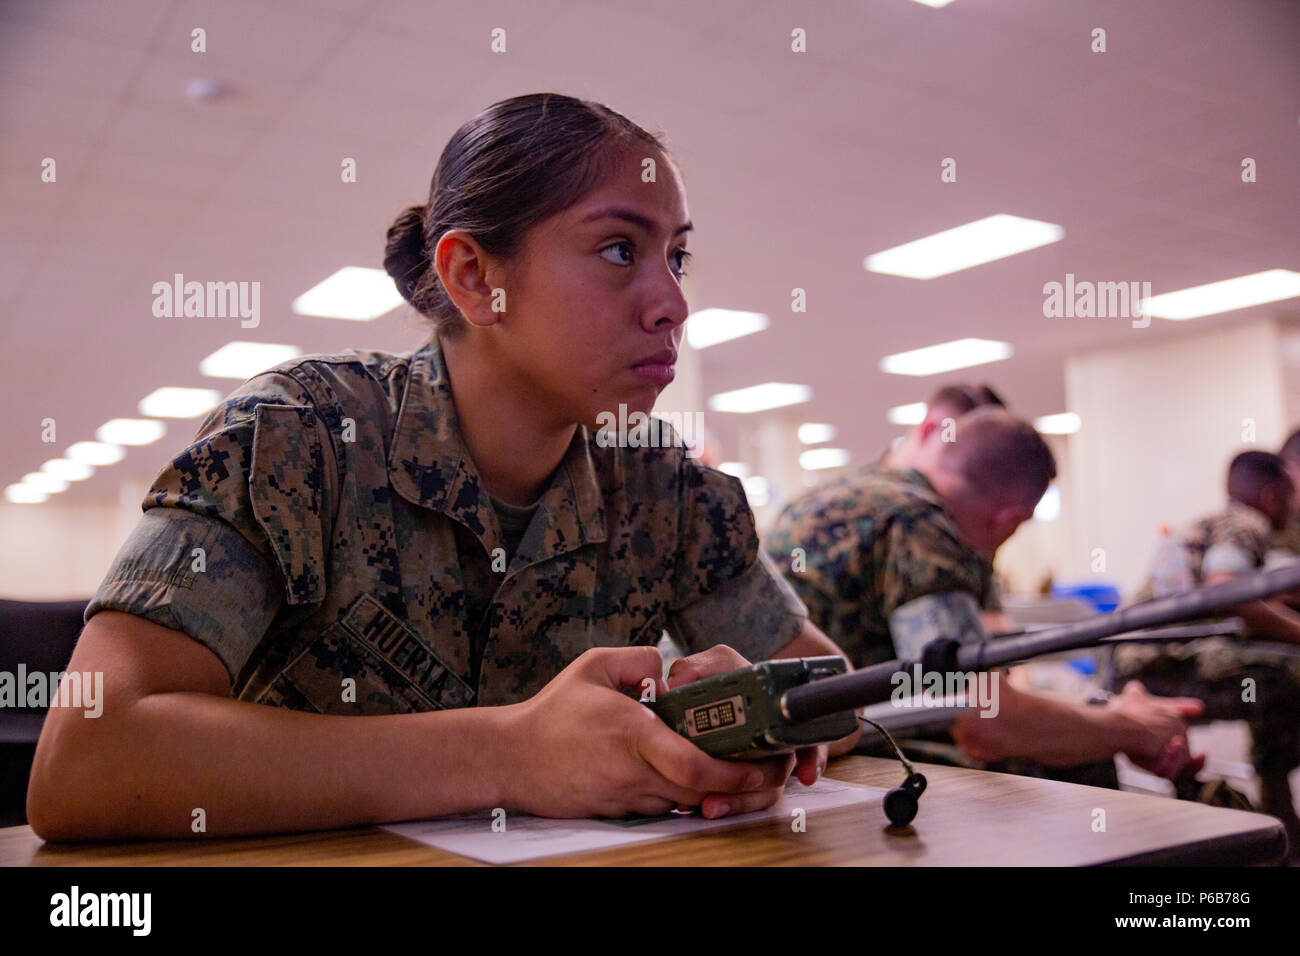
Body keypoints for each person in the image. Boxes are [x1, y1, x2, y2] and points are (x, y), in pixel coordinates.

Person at [26, 93, 859, 841]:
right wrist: (509, 756)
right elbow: (87, 760)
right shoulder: (295, 438)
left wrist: (743, 712)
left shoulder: (665, 486)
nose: (672, 301)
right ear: (474, 277)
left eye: (675, 256)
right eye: (617, 249)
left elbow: (836, 698)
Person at [766, 407, 1203, 783]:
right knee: (1076, 765)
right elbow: (981, 717)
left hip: (782, 740)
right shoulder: (922, 523)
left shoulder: (838, 493)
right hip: (830, 755)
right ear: (1007, 520)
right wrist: (1129, 729)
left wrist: (1103, 712)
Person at [1112, 450, 1300, 845]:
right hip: (1161, 661)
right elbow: (1225, 590)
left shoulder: (1213, 521)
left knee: (1274, 677)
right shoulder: (1247, 522)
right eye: (1288, 496)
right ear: (1269, 497)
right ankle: (1274, 815)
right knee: (1290, 674)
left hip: (1141, 658)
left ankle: (1277, 813)